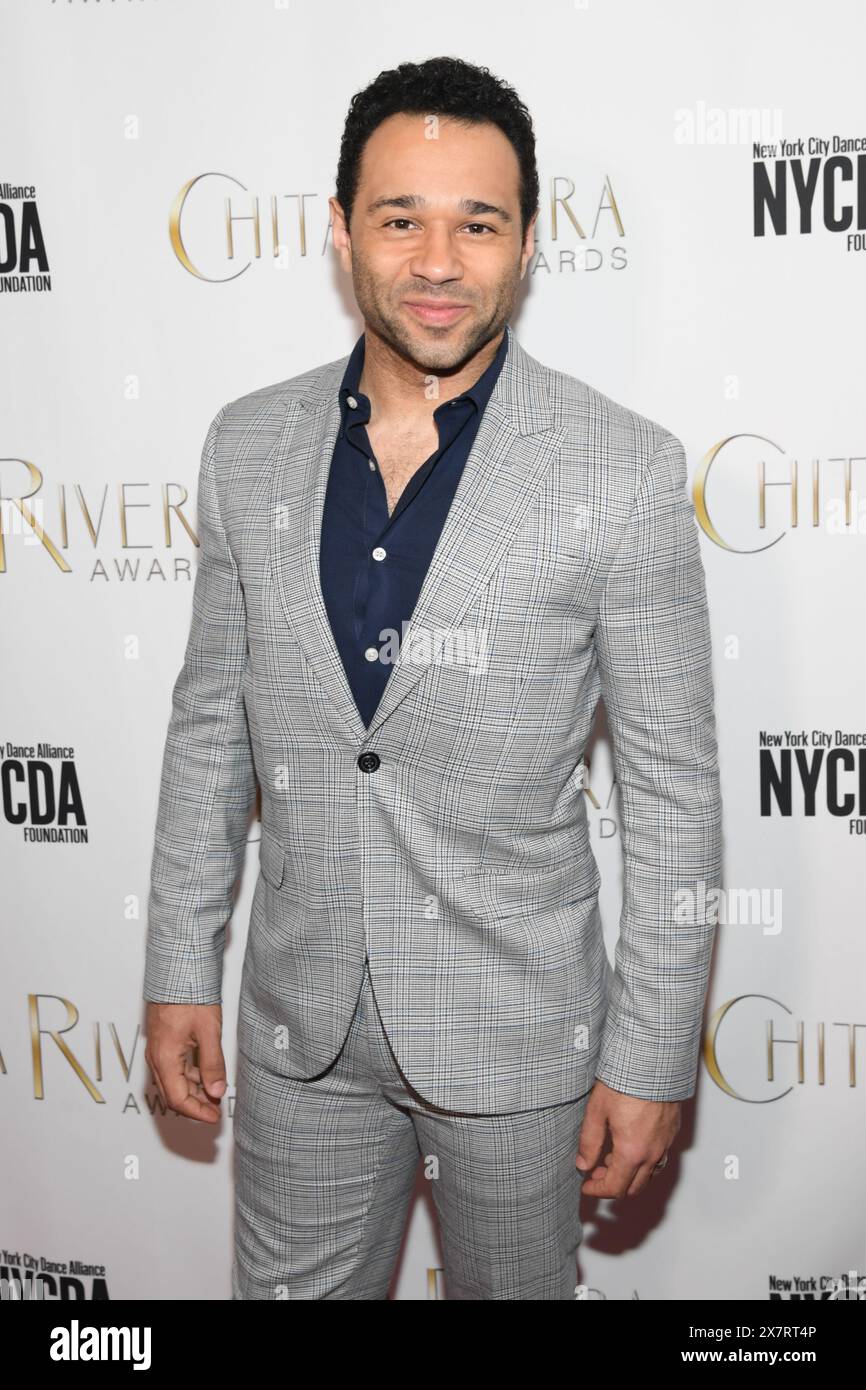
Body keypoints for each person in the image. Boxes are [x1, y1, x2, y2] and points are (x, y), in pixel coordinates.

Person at [143, 55, 722, 1300]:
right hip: (299, 1029)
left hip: (525, 1039)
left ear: (527, 242)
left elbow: (673, 792)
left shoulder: (620, 470)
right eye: (400, 218)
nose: (437, 262)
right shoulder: (245, 445)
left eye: (478, 222)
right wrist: (178, 967)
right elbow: (209, 726)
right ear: (340, 228)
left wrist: (654, 1053)